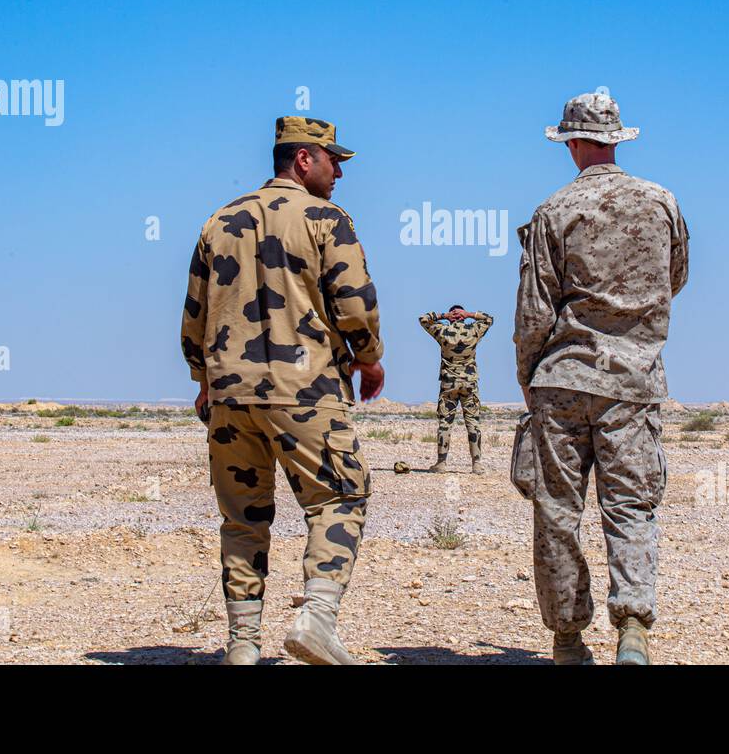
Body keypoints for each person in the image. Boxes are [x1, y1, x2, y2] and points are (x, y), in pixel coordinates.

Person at [180, 115, 384, 665]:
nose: (339, 171)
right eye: (332, 159)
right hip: (306, 390)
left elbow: (194, 314)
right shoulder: (326, 219)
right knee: (340, 496)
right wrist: (369, 358)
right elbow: (355, 303)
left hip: (229, 395)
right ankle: (316, 620)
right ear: (303, 160)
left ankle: (242, 646)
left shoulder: (219, 221)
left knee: (243, 519)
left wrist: (204, 381)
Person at [514, 92, 689, 665]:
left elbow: (534, 312)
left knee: (557, 511)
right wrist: (631, 321)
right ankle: (633, 628)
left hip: (562, 378)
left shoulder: (552, 212)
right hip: (633, 382)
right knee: (630, 505)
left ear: (571, 143)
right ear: (617, 139)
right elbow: (674, 277)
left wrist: (529, 378)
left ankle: (567, 638)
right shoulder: (661, 203)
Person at [418, 306, 494, 473]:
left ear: (452, 317)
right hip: (469, 384)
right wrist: (470, 314)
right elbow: (489, 319)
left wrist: (443, 315)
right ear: (463, 318)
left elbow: (424, 319)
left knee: (445, 424)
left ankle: (441, 463)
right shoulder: (473, 330)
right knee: (473, 424)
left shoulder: (443, 331)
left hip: (449, 384)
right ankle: (477, 464)